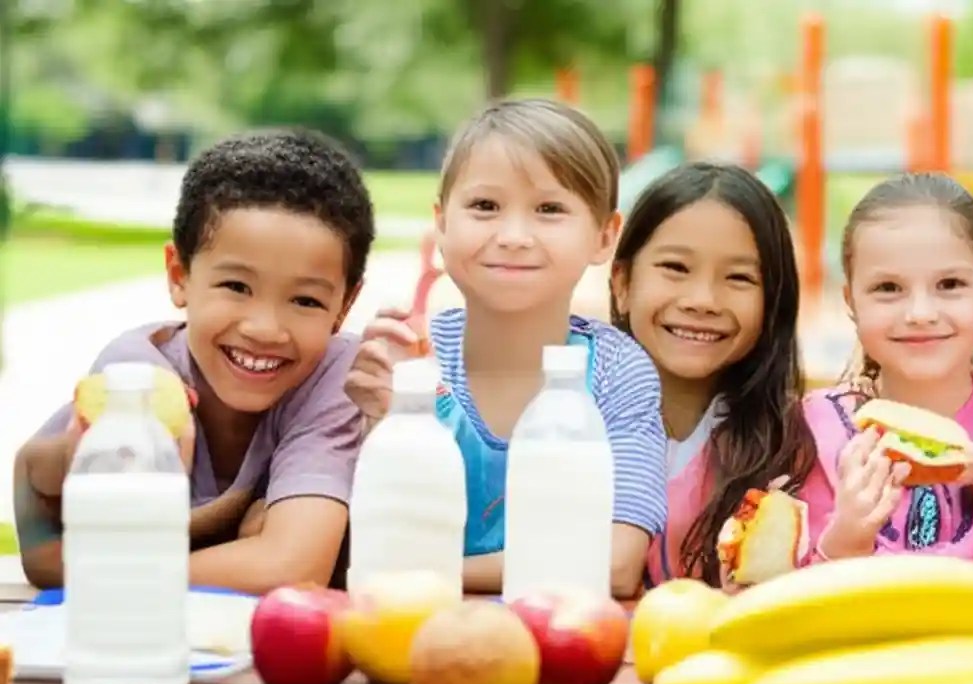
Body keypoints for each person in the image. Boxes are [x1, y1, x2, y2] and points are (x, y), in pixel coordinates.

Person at [14, 129, 374, 593]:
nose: (264, 328)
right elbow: (44, 556)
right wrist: (65, 462)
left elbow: (290, 570)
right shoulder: (136, 374)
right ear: (179, 276)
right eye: (236, 287)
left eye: (305, 300)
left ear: (344, 306)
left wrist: (107, 569)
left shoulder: (336, 378)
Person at [344, 99, 666, 598]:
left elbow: (618, 563)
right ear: (442, 225)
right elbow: (361, 538)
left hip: (566, 652)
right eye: (485, 207)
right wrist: (383, 421)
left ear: (605, 237)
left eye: (549, 210)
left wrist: (426, 572)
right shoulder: (405, 359)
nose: (514, 237)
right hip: (401, 641)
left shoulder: (618, 374)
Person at [608, 162, 823, 588]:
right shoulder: (565, 423)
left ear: (774, 302)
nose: (702, 300)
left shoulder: (796, 446)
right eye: (675, 268)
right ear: (622, 283)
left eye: (739, 277)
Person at [808, 172, 973, 561]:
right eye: (888, 289)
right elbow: (785, 598)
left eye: (949, 285)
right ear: (851, 301)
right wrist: (846, 538)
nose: (920, 313)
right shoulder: (814, 427)